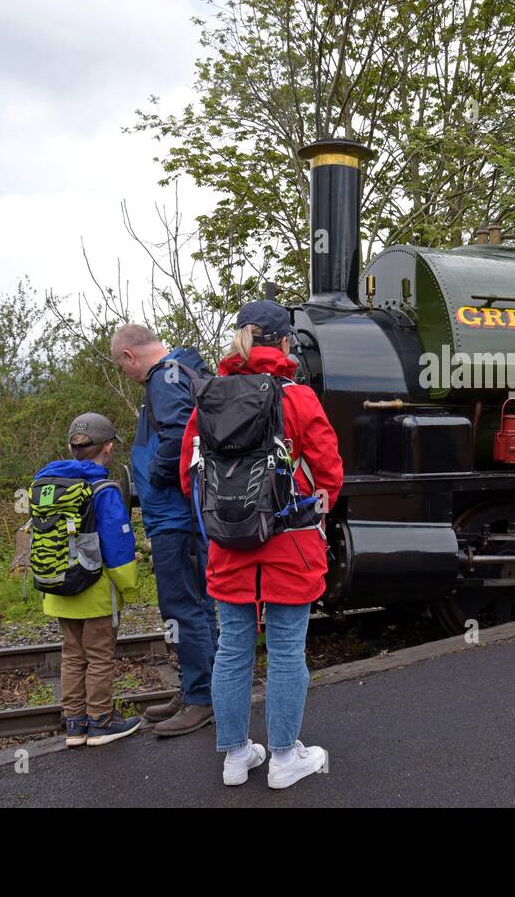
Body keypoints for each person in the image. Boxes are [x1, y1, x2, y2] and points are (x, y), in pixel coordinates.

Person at [179, 301, 343, 789]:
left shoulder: (208, 396)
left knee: (232, 649)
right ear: (285, 343)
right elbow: (330, 470)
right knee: (288, 651)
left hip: (229, 544)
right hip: (290, 545)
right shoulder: (297, 398)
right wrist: (319, 502)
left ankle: (234, 756)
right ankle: (285, 758)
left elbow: (187, 473)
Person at [112, 323, 218, 737]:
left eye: (124, 370)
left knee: (182, 608)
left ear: (129, 357)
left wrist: (153, 479)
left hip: (175, 518)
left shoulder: (163, 378)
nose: (129, 376)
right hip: (185, 515)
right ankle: (196, 687)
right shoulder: (182, 370)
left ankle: (202, 698)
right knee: (195, 606)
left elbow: (178, 438)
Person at [34, 413, 140, 747]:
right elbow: (118, 543)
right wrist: (128, 585)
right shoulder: (103, 488)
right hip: (94, 592)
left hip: (58, 588)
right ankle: (100, 721)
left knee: (72, 656)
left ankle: (75, 724)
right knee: (99, 656)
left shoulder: (48, 485)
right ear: (108, 448)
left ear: (71, 446)